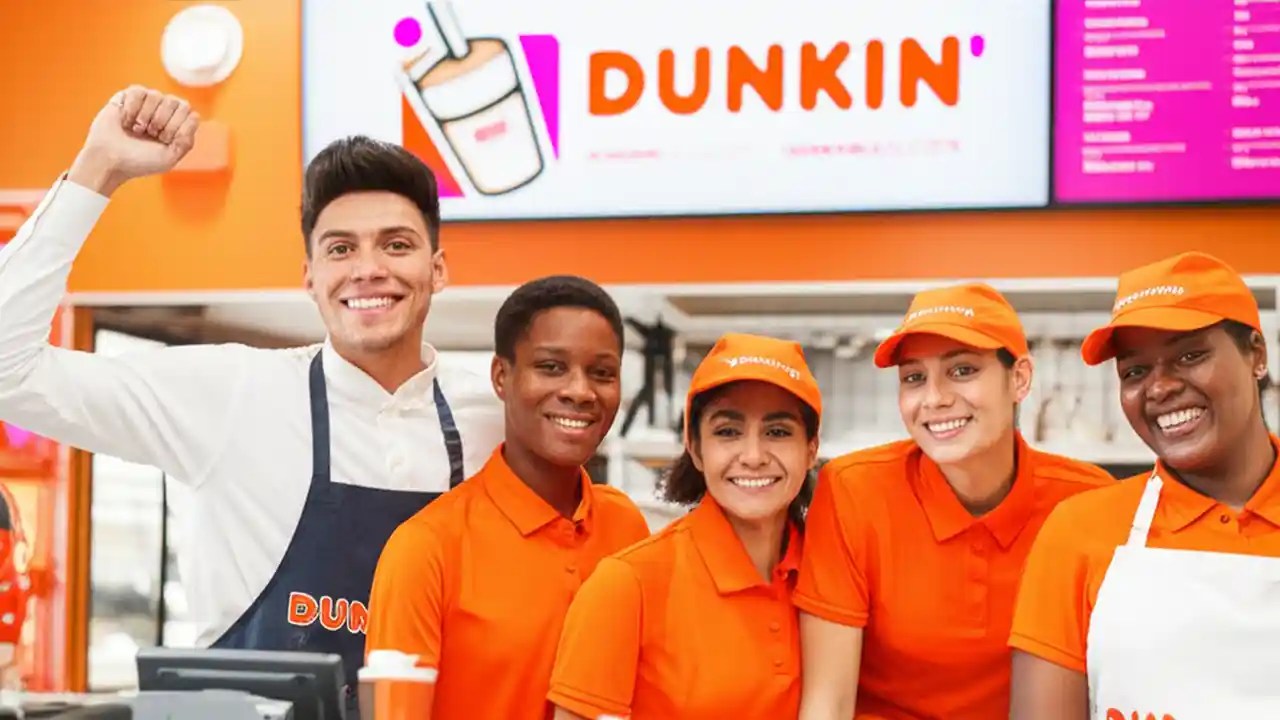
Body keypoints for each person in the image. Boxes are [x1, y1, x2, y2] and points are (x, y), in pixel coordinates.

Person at [0, 86, 504, 688]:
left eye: (397, 245)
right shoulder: (233, 394)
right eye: (341, 249)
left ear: (437, 269)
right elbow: (10, 368)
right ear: (310, 277)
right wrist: (97, 169)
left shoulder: (491, 419)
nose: (369, 268)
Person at [794, 282, 1115, 720]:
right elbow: (827, 705)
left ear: (1019, 378)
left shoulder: (1086, 502)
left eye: (962, 370)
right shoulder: (854, 489)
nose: (935, 398)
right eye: (914, 378)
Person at [365, 274, 651, 719]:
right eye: (551, 367)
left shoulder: (626, 526)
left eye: (601, 372)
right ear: (502, 376)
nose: (580, 391)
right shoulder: (426, 548)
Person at [1010, 251, 1280, 720]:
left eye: (1190, 355)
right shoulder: (1077, 531)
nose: (1159, 388)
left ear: (1256, 354)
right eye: (1135, 371)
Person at [548, 333, 822, 719]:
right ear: (694, 447)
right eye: (727, 431)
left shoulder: (833, 575)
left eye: (778, 432)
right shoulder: (628, 584)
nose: (754, 456)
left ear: (811, 448)